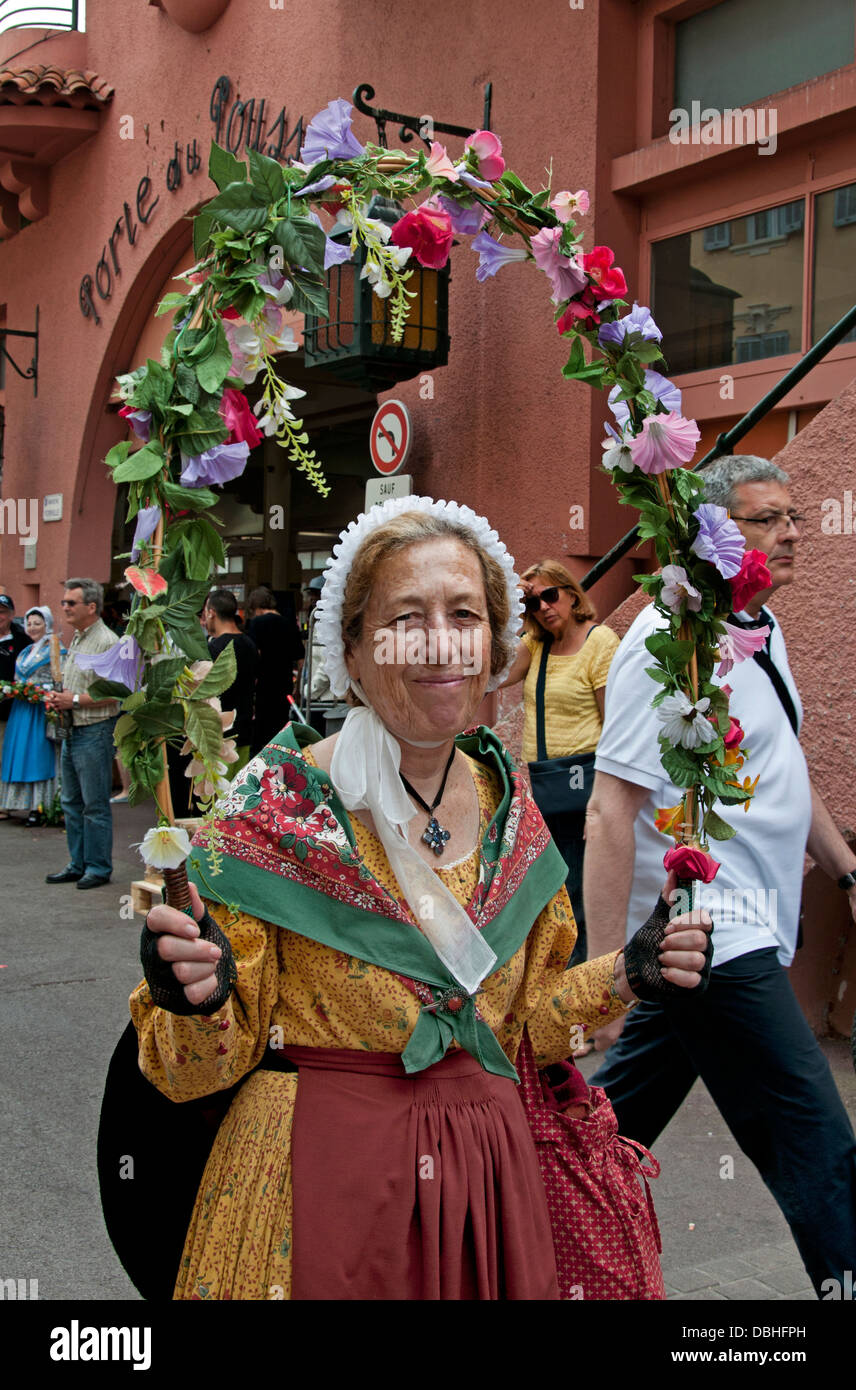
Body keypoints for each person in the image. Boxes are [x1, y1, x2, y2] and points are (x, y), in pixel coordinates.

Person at [121, 497, 712, 1301]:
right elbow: (194, 1075)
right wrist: (195, 1001)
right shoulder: (273, 809)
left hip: (486, 1195)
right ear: (355, 651)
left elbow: (525, 1031)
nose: (440, 641)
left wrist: (626, 973)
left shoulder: (514, 811)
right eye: (407, 616)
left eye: (464, 614)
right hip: (315, 1189)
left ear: (495, 645)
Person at [585, 454, 856, 1297]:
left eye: (793, 517)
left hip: (749, 929)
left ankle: (519, 1227)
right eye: (765, 520)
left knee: (604, 1131)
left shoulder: (757, 630)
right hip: (706, 930)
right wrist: (601, 977)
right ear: (708, 537)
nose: (791, 535)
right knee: (816, 1136)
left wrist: (845, 868)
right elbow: (609, 810)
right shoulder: (666, 642)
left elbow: (784, 766)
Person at [502, 562, 619, 965]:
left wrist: (603, 805)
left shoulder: (599, 642)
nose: (544, 607)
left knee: (577, 906)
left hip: (585, 795)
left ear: (571, 594)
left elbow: (617, 728)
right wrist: (509, 606)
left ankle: (578, 1004)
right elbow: (489, 673)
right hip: (543, 795)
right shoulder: (536, 648)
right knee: (545, 904)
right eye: (533, 602)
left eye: (550, 595)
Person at [44, 579, 121, 889]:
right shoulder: (78, 637)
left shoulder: (107, 640)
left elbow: (116, 692)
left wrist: (72, 700)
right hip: (74, 728)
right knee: (71, 802)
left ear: (92, 607)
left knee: (94, 804)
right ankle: (78, 863)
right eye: (64, 602)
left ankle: (98, 867)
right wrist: (61, 697)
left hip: (94, 730)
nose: (65, 607)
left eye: (71, 603)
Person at [0, 606, 64, 824]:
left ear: (47, 624)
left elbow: (60, 680)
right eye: (29, 623)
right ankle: (20, 804)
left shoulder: (55, 648)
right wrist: (13, 689)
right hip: (22, 710)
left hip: (41, 710)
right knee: (20, 756)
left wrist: (39, 691)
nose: (32, 627)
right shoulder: (27, 651)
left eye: (37, 623)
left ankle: (42, 807)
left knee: (40, 757)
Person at [203, 589, 258, 776]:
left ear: (211, 612)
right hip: (244, 731)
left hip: (218, 734)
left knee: (216, 794)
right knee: (236, 793)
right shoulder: (250, 644)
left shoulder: (213, 649)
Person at [245, 586, 304, 754]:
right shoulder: (289, 624)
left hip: (264, 687)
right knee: (280, 734)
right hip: (284, 687)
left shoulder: (256, 623)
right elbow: (301, 660)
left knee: (261, 737)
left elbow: (255, 655)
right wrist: (297, 687)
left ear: (254, 606)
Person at [0, 594, 31, 814]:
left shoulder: (22, 641)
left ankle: (5, 804)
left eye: (3, 612)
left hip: (11, 710)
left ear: (11, 614)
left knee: (5, 757)